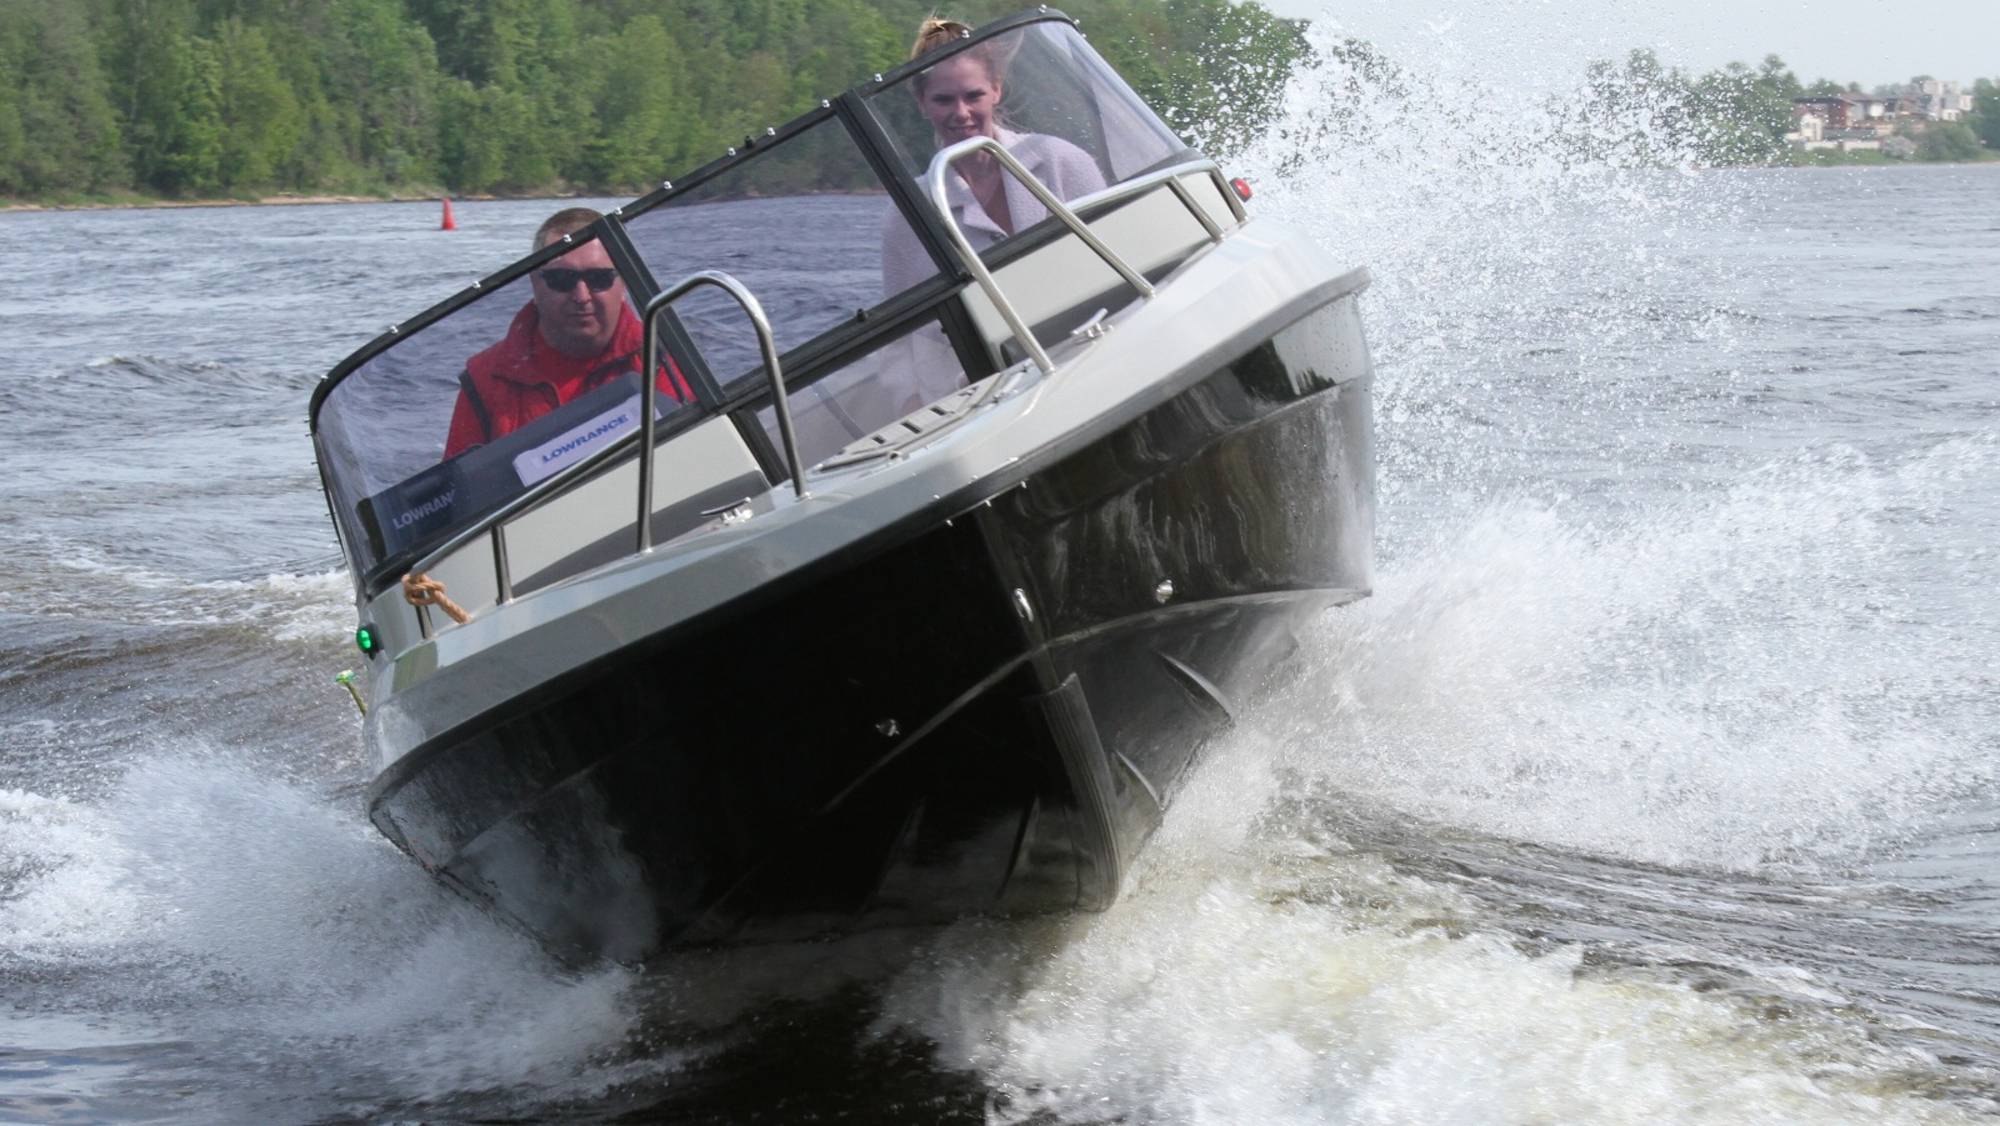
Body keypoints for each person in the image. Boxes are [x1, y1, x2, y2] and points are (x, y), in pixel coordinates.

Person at [880, 18, 1109, 295]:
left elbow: (1119, 253)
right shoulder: (910, 212)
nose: (961, 112)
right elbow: (911, 316)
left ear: (996, 90)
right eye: (944, 100)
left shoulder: (1061, 161)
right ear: (922, 103)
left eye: (973, 96)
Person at [444, 207, 691, 460]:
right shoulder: (483, 379)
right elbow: (459, 480)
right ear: (535, 283)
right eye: (562, 279)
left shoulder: (662, 358)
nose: (581, 296)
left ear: (624, 282)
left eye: (599, 278)